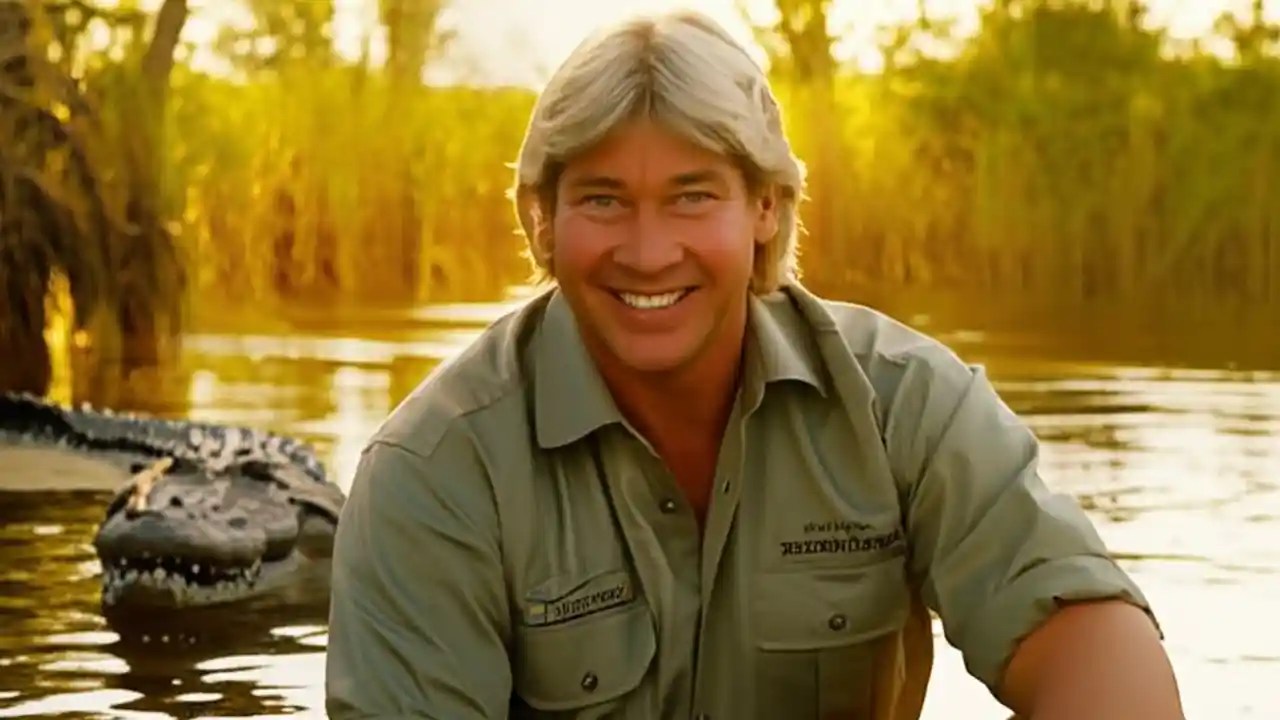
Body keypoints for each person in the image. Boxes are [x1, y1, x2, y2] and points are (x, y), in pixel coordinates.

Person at [324, 10, 1183, 720]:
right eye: (602, 200)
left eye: (693, 195)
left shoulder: (903, 404)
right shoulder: (431, 477)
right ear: (543, 220)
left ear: (765, 208)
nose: (650, 251)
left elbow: (1083, 632)